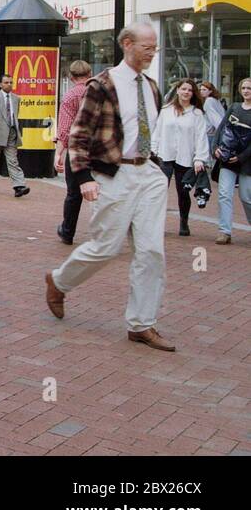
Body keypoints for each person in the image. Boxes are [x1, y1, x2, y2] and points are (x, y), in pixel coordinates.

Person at [45, 22, 174, 352]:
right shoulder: (102, 85)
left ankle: (141, 324)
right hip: (114, 175)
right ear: (127, 44)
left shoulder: (152, 86)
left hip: (148, 174)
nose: (152, 51)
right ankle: (59, 281)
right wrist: (84, 177)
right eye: (147, 45)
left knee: (151, 251)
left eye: (155, 46)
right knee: (106, 246)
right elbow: (78, 134)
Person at [155, 78, 209, 238]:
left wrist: (200, 158)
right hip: (164, 155)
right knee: (158, 191)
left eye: (190, 90)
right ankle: (155, 224)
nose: (186, 92)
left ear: (193, 94)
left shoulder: (197, 113)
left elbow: (201, 137)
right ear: (177, 90)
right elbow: (157, 133)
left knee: (183, 192)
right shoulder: (166, 110)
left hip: (185, 157)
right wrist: (153, 152)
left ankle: (184, 222)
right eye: (183, 89)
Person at [54, 60, 94, 245]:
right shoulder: (98, 93)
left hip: (77, 149)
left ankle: (67, 231)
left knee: (73, 193)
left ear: (70, 77)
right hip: (99, 148)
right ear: (90, 73)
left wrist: (58, 154)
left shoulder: (70, 96)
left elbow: (64, 129)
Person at [211, 77, 251, 245]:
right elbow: (221, 128)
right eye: (244, 88)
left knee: (246, 196)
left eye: (249, 88)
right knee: (224, 194)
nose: (246, 91)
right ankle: (224, 231)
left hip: (247, 162)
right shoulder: (234, 107)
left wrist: (241, 157)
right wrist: (215, 148)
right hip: (227, 158)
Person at [0, 75, 30, 198]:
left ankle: (19, 186)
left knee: (13, 161)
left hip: (11, 134)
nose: (9, 84)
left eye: (11, 82)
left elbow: (15, 115)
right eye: (6, 82)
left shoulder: (16, 98)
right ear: (0, 84)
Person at [199, 82, 225, 152]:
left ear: (210, 91)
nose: (201, 92)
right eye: (201, 90)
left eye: (204, 90)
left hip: (210, 135)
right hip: (215, 134)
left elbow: (216, 119)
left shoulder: (209, 101)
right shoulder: (215, 100)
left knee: (209, 160)